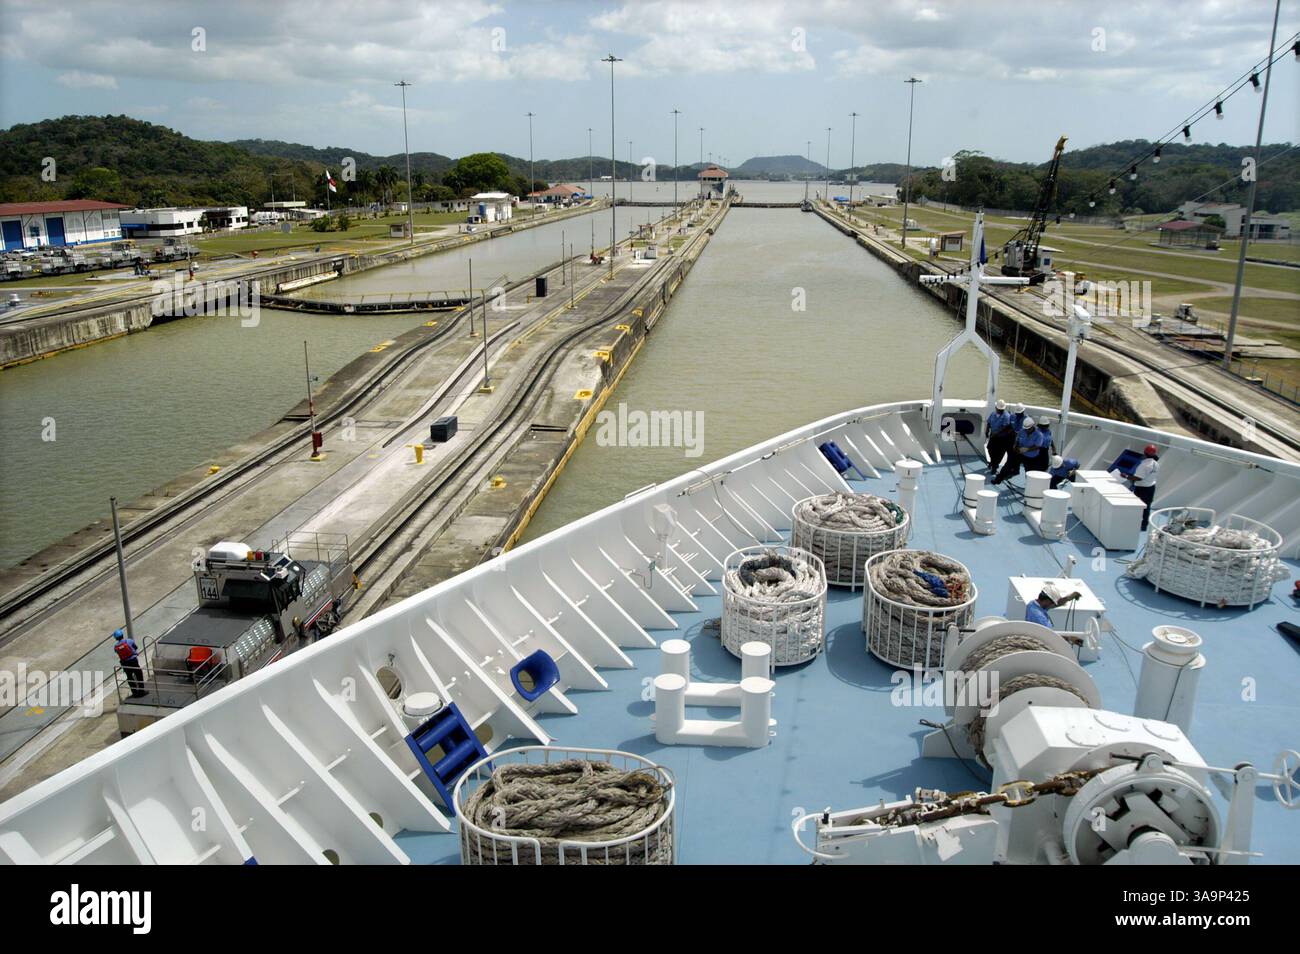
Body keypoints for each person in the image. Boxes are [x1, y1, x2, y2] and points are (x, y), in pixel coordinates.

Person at [993, 418, 1048, 485]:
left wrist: (1027, 449)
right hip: (1019, 453)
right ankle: (998, 479)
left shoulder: (1039, 435)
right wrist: (1015, 446)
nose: (1026, 430)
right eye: (1025, 428)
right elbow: (1017, 440)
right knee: (1008, 464)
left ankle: (1030, 486)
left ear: (1033, 426)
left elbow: (1037, 446)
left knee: (1029, 473)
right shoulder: (1022, 431)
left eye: (1028, 429)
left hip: (1031, 457)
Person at [1123, 444, 1160, 530]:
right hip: (1151, 487)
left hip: (1142, 489)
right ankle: (1144, 525)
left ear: (1145, 453)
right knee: (1147, 507)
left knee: (1137, 506)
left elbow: (1138, 478)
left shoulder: (1144, 465)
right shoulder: (1156, 464)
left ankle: (1133, 523)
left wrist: (1126, 476)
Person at [985, 400, 1016, 474]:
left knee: (999, 453)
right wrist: (987, 430)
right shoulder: (993, 414)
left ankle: (995, 466)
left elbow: (1006, 427)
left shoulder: (1006, 416)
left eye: (1002, 409)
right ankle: (993, 462)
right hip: (993, 436)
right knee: (990, 448)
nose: (1000, 410)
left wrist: (997, 433)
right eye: (999, 409)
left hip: (1002, 438)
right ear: (996, 408)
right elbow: (989, 422)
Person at [113, 628, 147, 698]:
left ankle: (135, 693)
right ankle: (141, 691)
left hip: (124, 663)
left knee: (129, 677)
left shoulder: (116, 646)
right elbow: (135, 647)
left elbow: (117, 652)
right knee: (139, 675)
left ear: (116, 638)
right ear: (122, 635)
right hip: (133, 660)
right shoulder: (129, 641)